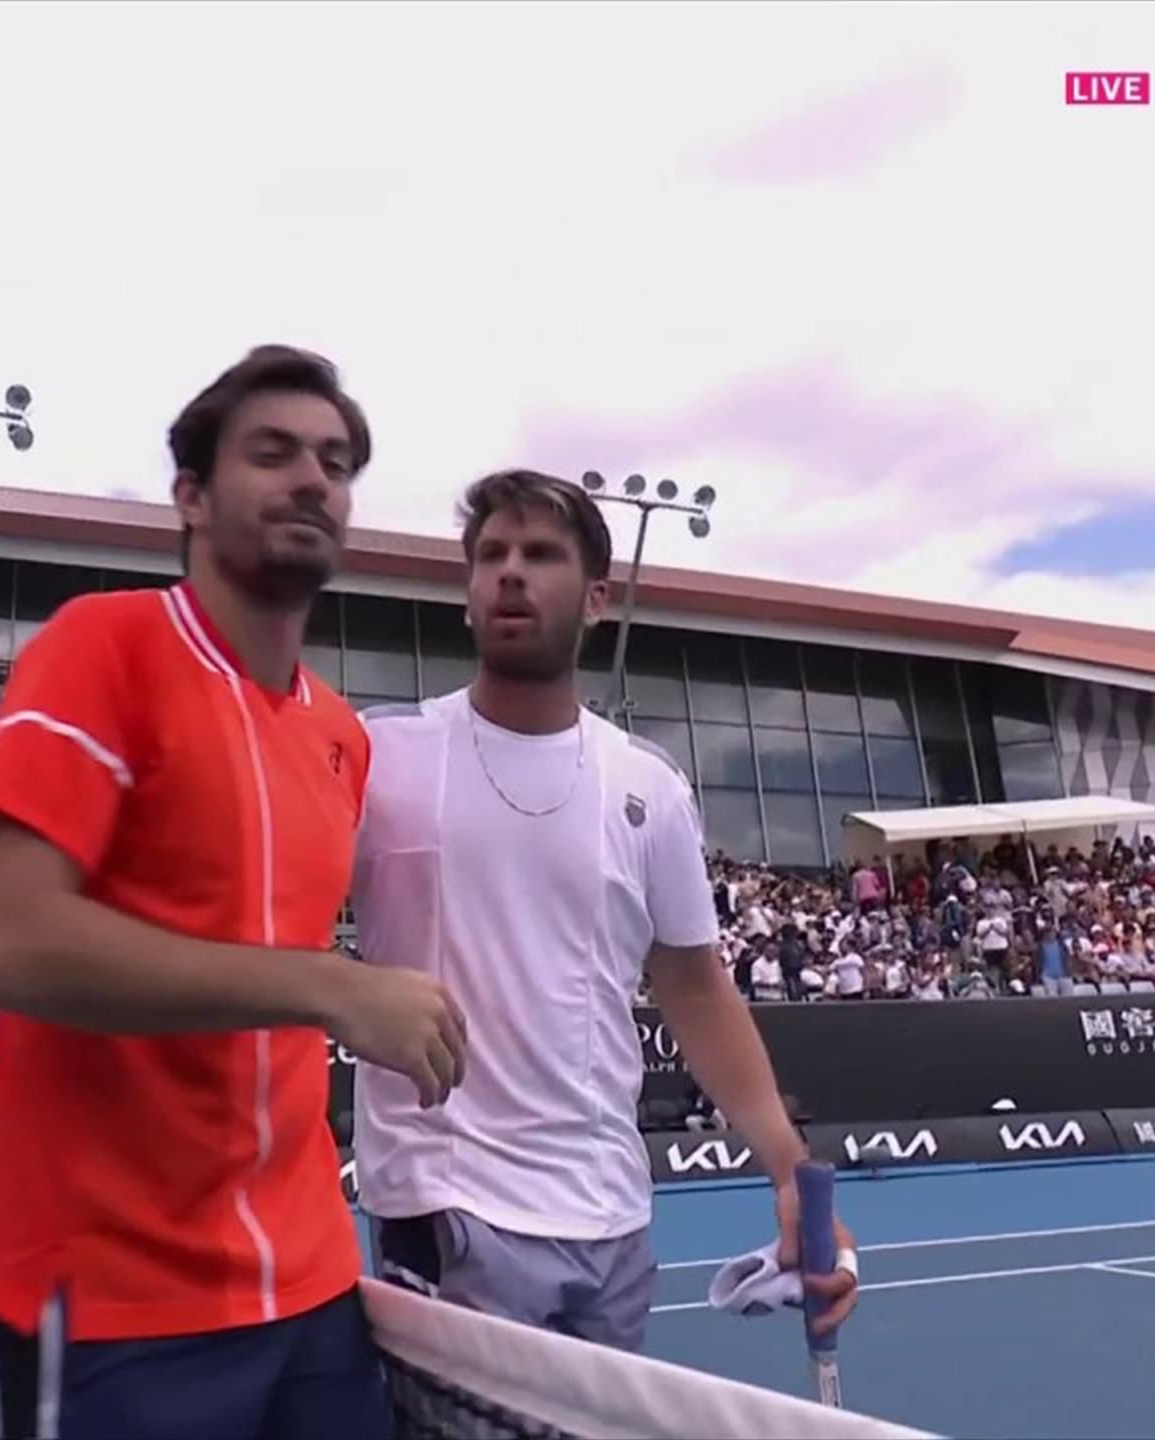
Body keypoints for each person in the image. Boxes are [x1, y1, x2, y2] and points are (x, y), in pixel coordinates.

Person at [0, 346, 466, 1440]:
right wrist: (331, 988)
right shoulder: (103, 644)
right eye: (272, 454)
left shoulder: (339, 734)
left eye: (335, 460)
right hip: (107, 1302)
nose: (313, 479)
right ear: (189, 495)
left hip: (311, 1285)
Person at [351, 469, 859, 1354]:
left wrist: (788, 1165)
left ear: (594, 600)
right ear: (467, 594)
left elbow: (695, 986)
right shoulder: (381, 755)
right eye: (491, 555)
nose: (511, 572)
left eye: (540, 554)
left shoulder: (649, 786)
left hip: (612, 1225)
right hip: (448, 1213)